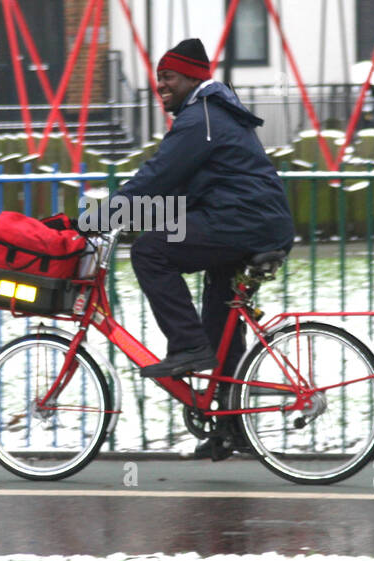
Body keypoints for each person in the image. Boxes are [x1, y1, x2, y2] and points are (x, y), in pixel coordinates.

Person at [113, 37, 294, 389]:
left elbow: (158, 175)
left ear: (193, 78)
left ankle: (187, 346)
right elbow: (183, 187)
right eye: (158, 77)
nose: (160, 85)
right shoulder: (212, 113)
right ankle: (230, 426)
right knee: (220, 318)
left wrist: (97, 218)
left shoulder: (202, 118)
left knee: (150, 251)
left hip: (243, 220)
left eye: (169, 77)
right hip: (251, 220)